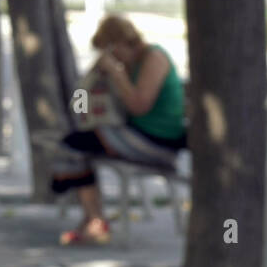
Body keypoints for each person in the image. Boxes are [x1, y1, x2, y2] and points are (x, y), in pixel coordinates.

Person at [49, 14, 187, 246]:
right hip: (137, 134)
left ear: (120, 43)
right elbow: (84, 100)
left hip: (158, 141)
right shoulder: (133, 63)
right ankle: (93, 218)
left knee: (72, 146)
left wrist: (116, 73)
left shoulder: (154, 58)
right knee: (73, 145)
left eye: (112, 50)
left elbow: (139, 105)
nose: (114, 57)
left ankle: (95, 221)